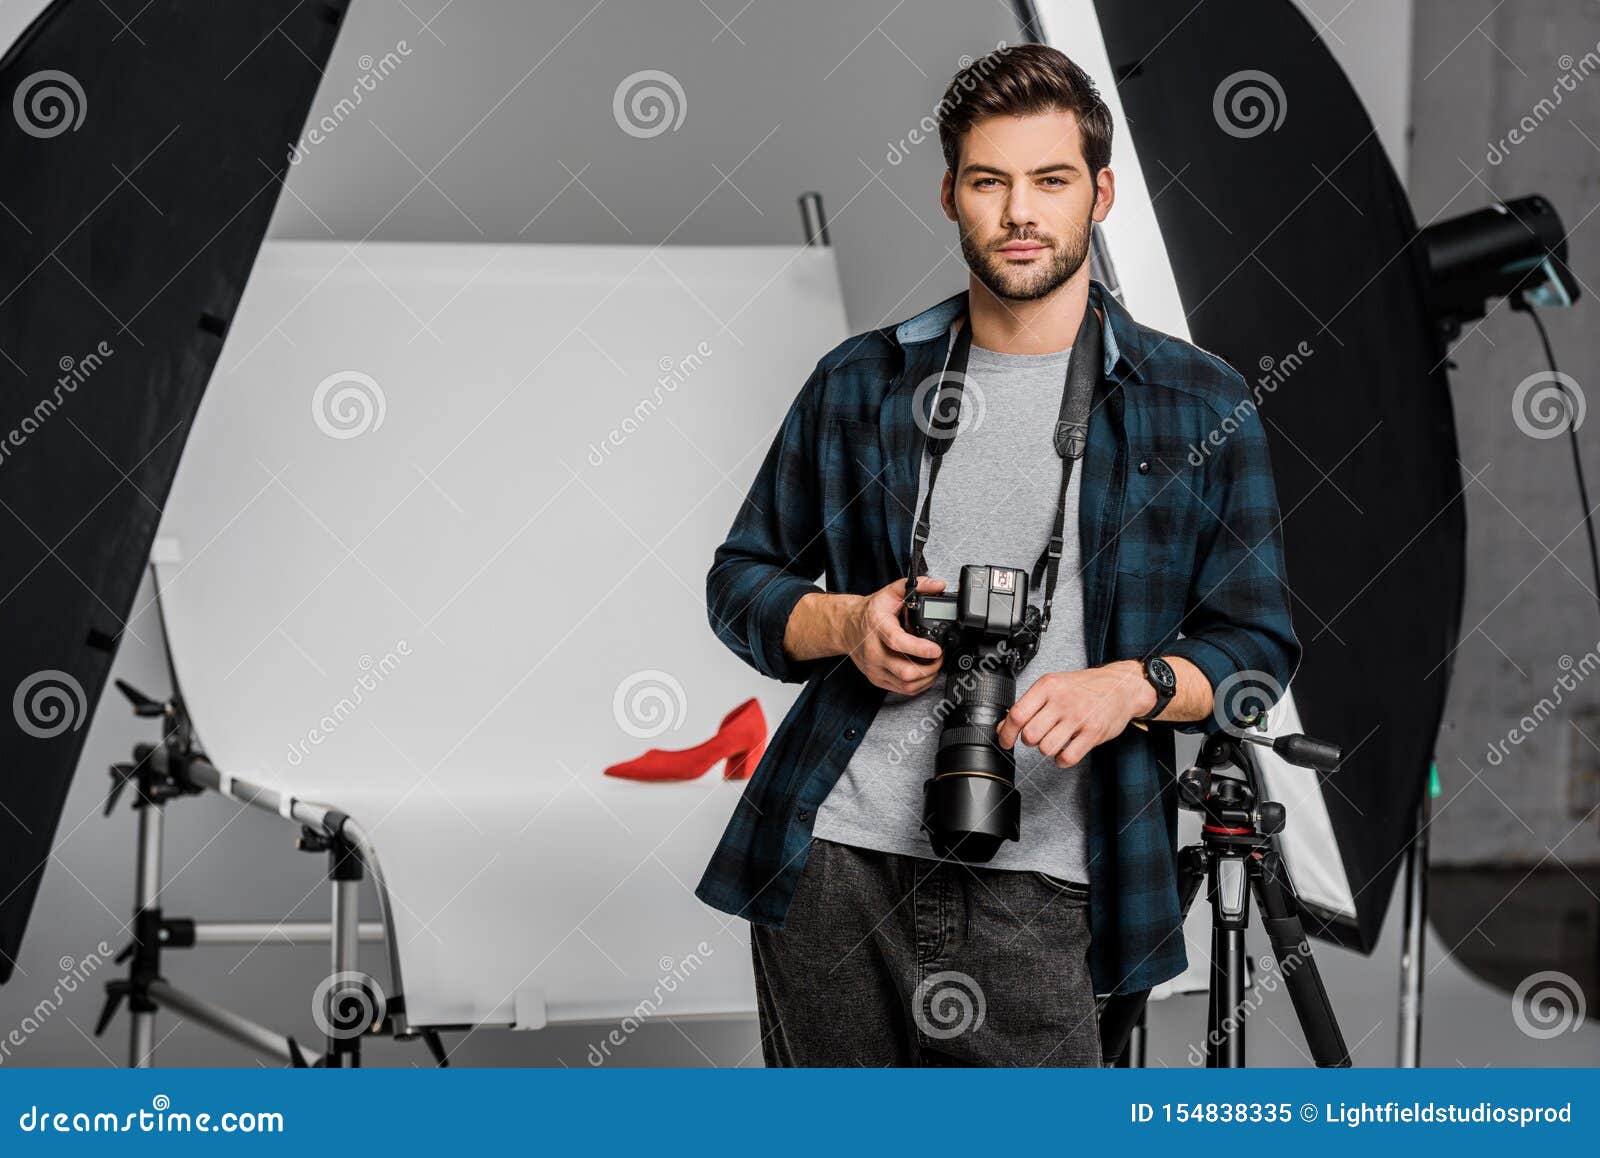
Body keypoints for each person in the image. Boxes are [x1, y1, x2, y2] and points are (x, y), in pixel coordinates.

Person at [695, 42, 1300, 1067]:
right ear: (951, 195)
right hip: (836, 865)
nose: (1020, 212)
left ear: (1098, 193)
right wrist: (848, 623)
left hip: (1055, 878)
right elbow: (739, 583)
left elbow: (1257, 648)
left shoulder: (1197, 404)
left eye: (1050, 180)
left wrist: (1131, 687)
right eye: (990, 181)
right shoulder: (861, 382)